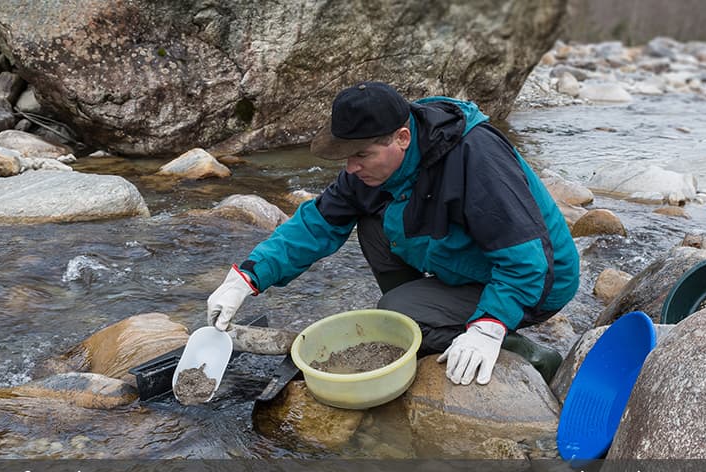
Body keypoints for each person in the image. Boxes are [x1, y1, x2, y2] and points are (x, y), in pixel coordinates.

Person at [207, 81, 579, 385]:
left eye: (361, 156)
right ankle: (426, 313)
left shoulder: (475, 157)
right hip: (470, 260)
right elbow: (317, 223)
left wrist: (489, 326)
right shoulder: (371, 169)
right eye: (345, 157)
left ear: (402, 138)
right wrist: (247, 276)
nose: (350, 168)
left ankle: (531, 356)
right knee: (373, 224)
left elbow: (526, 260)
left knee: (394, 314)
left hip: (542, 278)